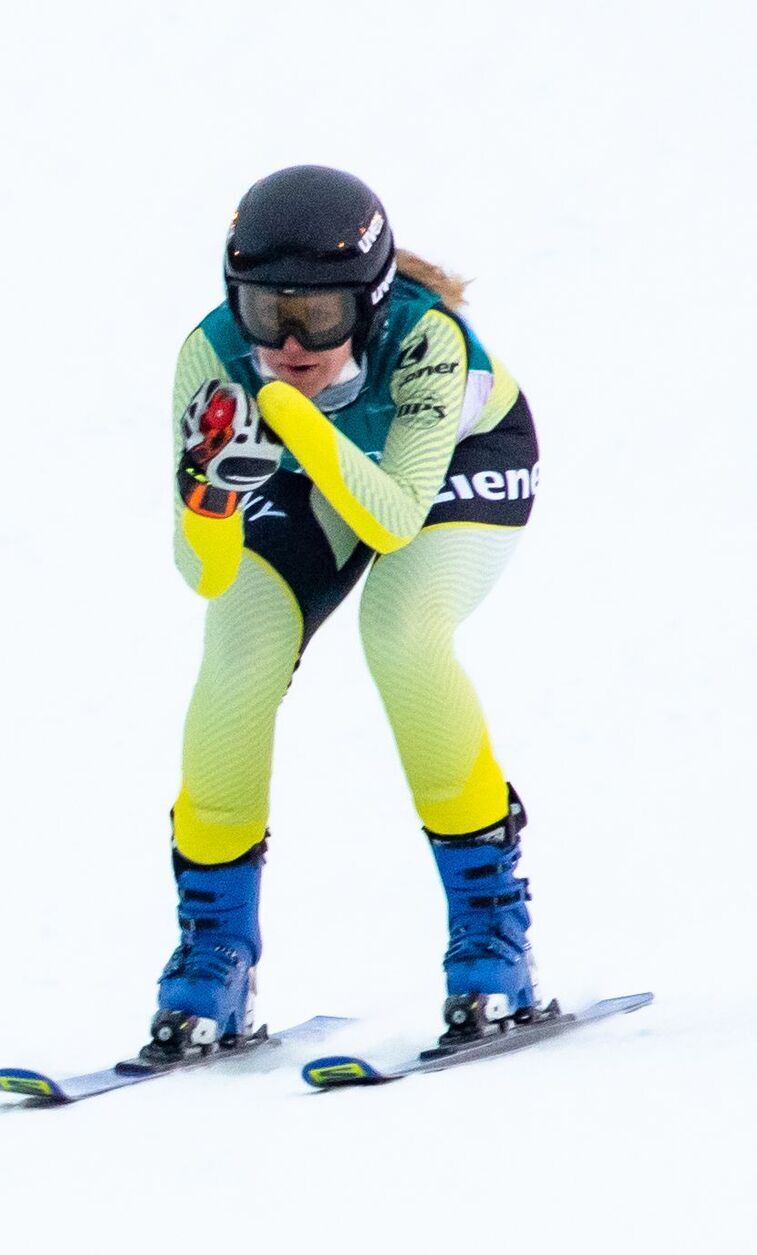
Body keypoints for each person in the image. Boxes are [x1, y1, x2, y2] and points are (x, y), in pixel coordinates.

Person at [136, 164, 543, 1064]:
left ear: (369, 302)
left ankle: (493, 931)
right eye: (263, 311)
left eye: (318, 315)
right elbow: (199, 574)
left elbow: (394, 514)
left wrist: (283, 414)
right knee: (236, 657)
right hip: (320, 473)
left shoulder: (427, 339)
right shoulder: (209, 354)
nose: (287, 341)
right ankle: (217, 947)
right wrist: (207, 500)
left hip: (452, 465)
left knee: (401, 636)